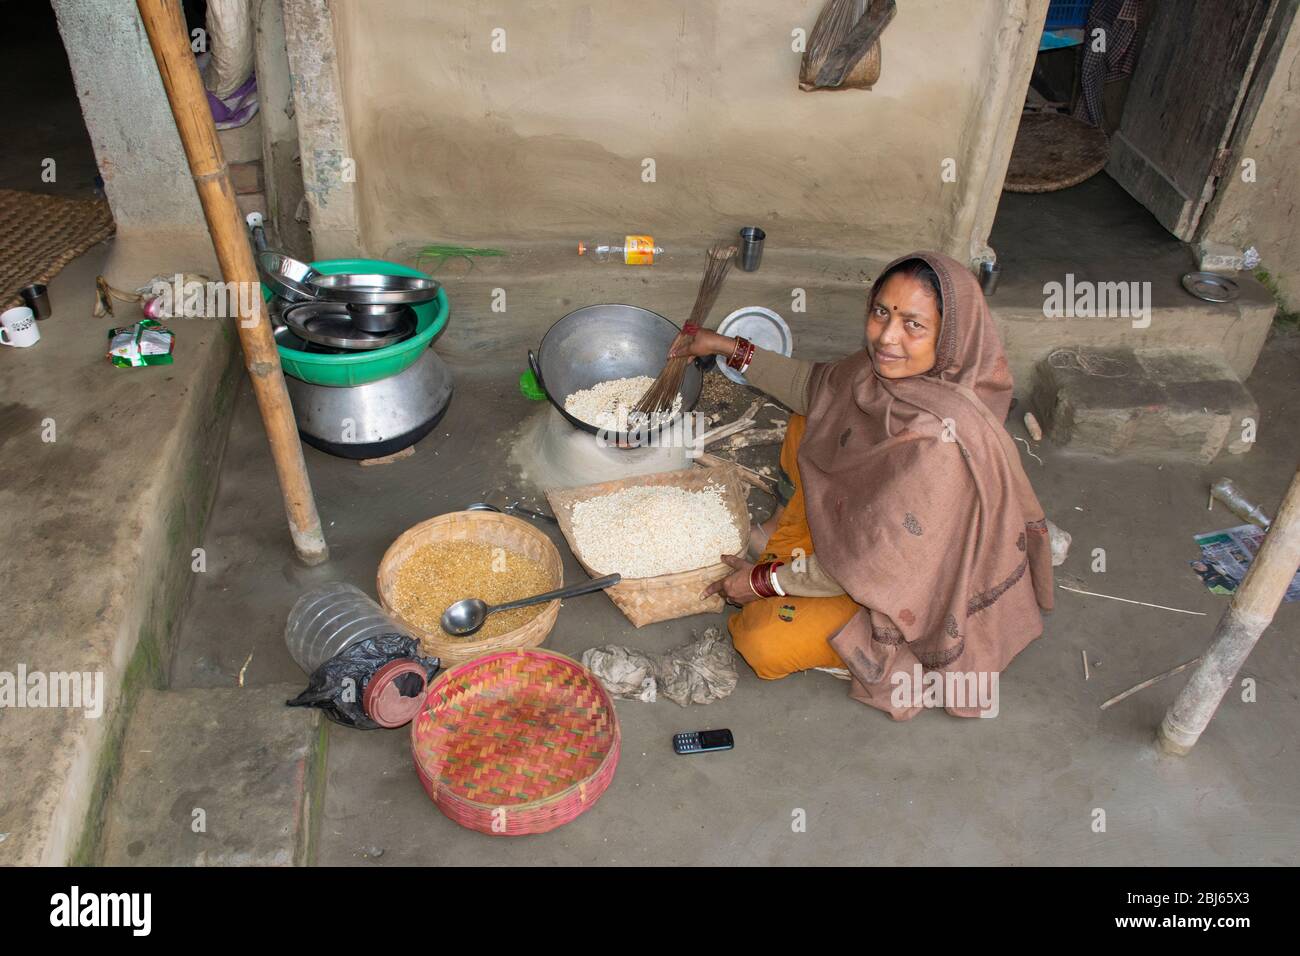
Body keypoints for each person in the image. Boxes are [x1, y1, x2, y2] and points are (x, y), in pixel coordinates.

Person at [671, 251, 1053, 719]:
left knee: (761, 642)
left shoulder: (938, 443)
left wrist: (760, 581)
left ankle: (853, 641)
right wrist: (726, 347)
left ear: (951, 337)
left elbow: (873, 562)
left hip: (894, 576)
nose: (887, 338)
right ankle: (790, 532)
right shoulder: (883, 375)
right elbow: (813, 384)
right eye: (881, 313)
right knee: (810, 419)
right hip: (866, 528)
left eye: (914, 325)